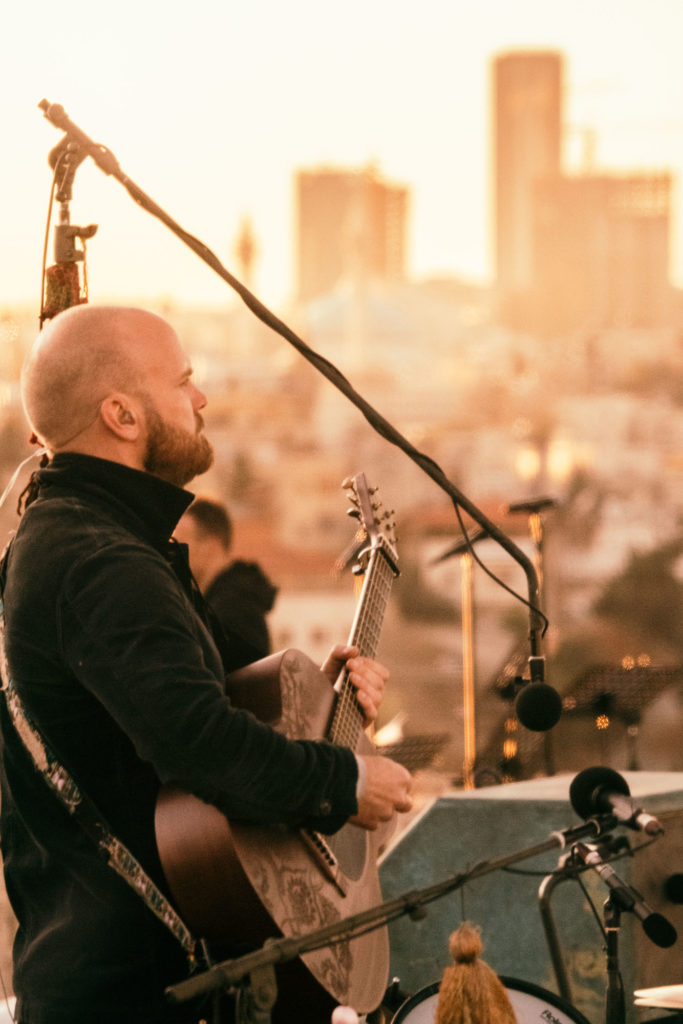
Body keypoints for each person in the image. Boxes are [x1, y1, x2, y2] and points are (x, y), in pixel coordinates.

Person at [0, 305, 413, 1024]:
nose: (201, 399)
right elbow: (203, 746)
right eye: (183, 381)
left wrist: (323, 696)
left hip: (135, 973)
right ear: (122, 415)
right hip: (136, 990)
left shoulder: (97, 540)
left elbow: (205, 702)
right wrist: (345, 782)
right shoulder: (102, 563)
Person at [174, 496, 277, 668]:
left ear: (211, 545)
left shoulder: (233, 610)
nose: (173, 552)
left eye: (179, 543)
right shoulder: (230, 600)